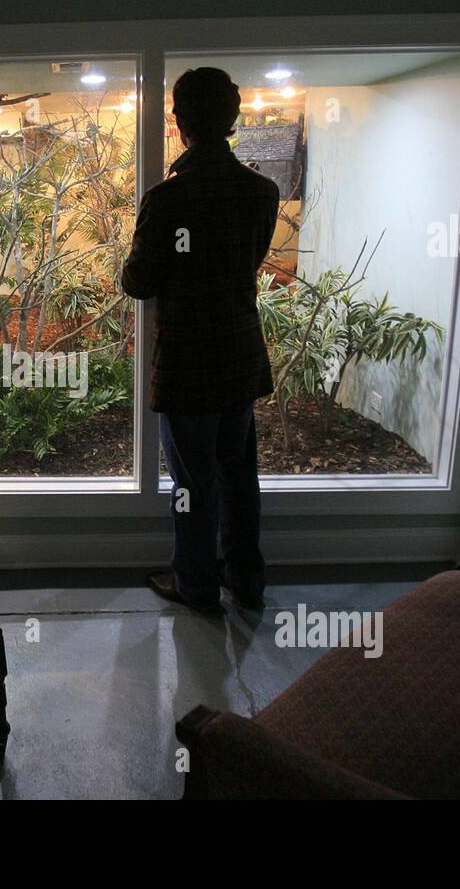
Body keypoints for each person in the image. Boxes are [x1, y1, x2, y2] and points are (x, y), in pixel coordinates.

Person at [122, 67, 279, 614]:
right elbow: (249, 263)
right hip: (237, 359)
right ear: (232, 119)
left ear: (178, 121)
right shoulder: (263, 191)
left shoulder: (168, 199)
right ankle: (246, 580)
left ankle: (196, 585)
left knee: (192, 483)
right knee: (238, 475)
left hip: (189, 366)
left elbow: (137, 282)